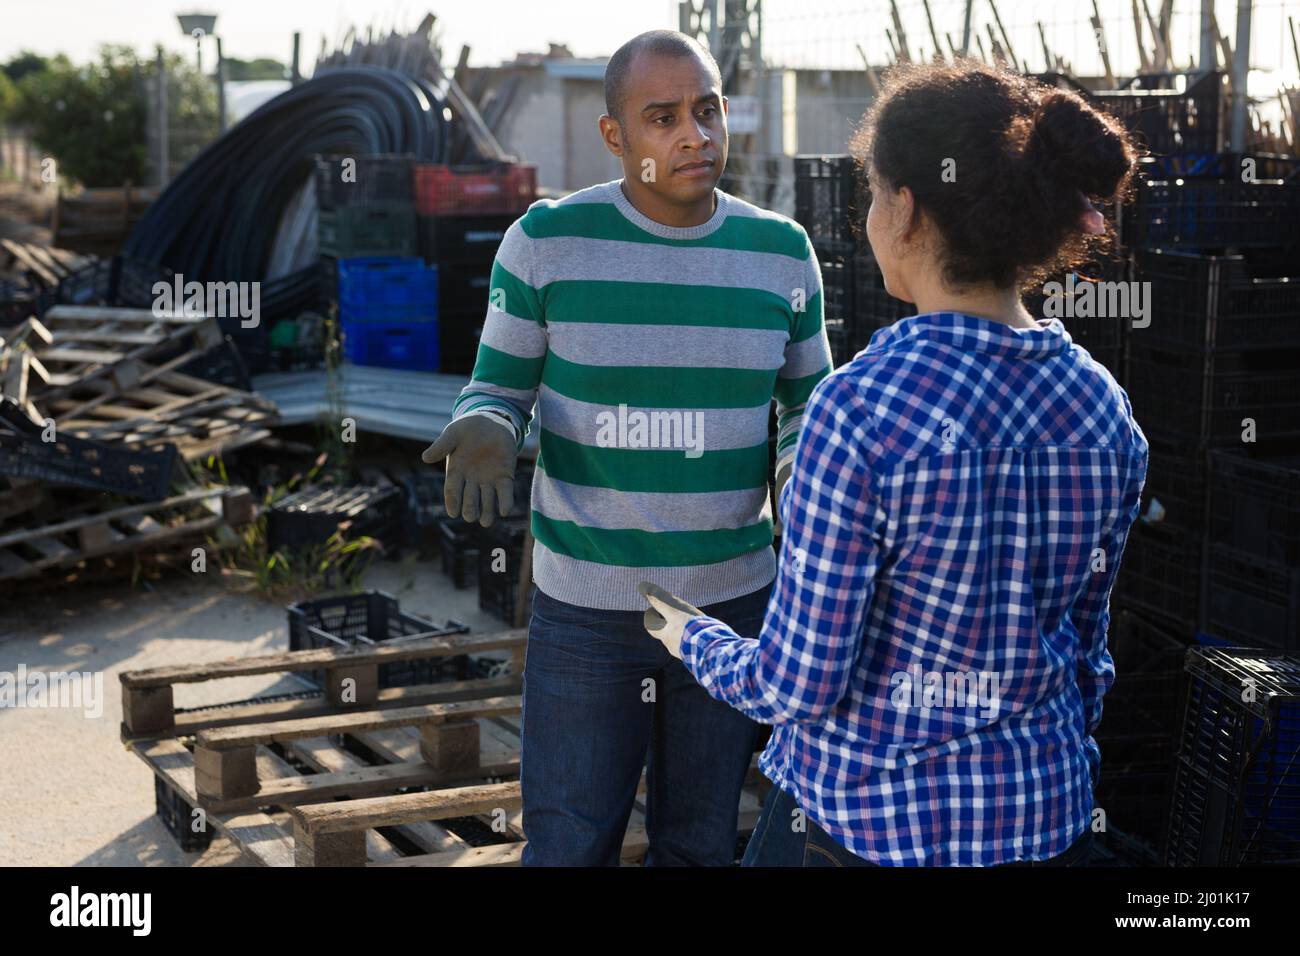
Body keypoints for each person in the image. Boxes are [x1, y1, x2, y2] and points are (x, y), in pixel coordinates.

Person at [639, 59, 1149, 866]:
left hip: (867, 829)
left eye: (873, 193)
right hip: (1046, 819)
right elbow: (1087, 655)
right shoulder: (1102, 408)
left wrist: (690, 636)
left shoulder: (858, 410)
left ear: (906, 208)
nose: (868, 217)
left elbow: (796, 685)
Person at [421, 30, 833, 865]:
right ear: (616, 135)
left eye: (707, 111)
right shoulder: (546, 242)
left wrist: (801, 480)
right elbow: (497, 388)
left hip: (732, 609)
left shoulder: (782, 252)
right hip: (588, 610)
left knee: (701, 844)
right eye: (664, 117)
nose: (696, 135)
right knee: (570, 843)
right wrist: (490, 424)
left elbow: (807, 407)